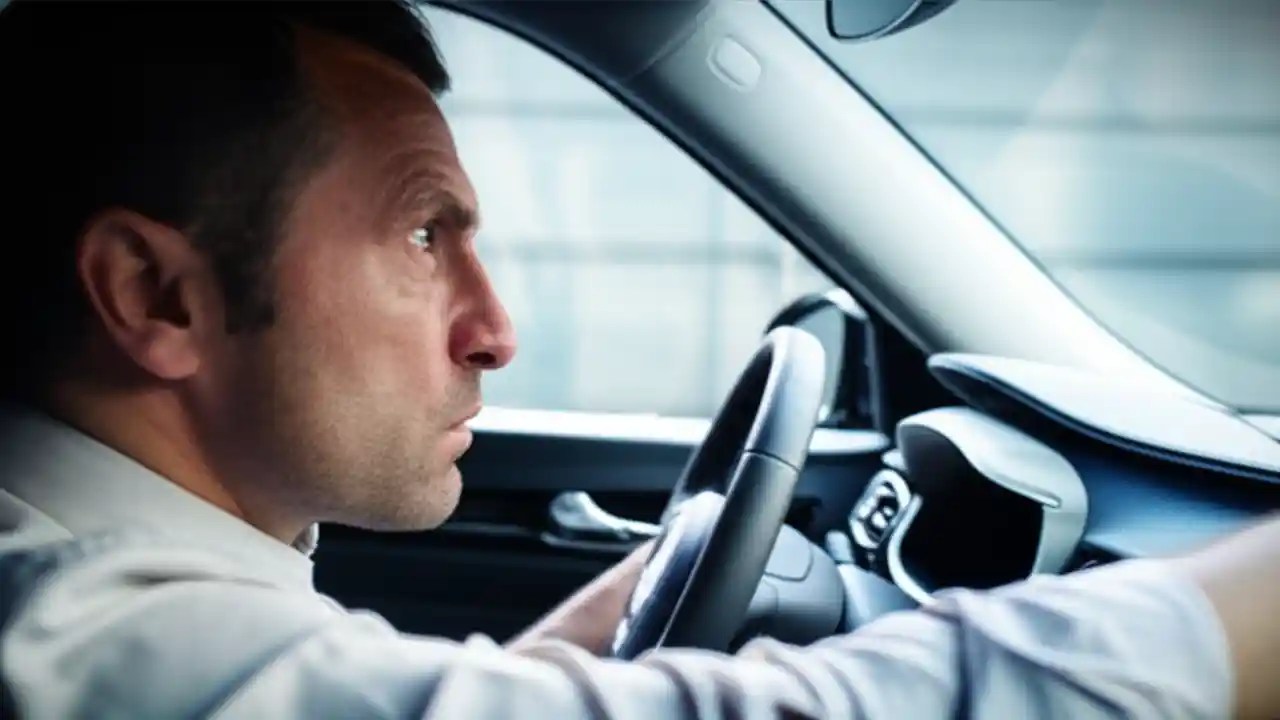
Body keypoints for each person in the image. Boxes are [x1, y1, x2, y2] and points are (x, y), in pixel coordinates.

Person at [0, 2, 1275, 718]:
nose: (494, 329)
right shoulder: (78, 640)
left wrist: (596, 634)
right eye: (421, 232)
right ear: (154, 293)